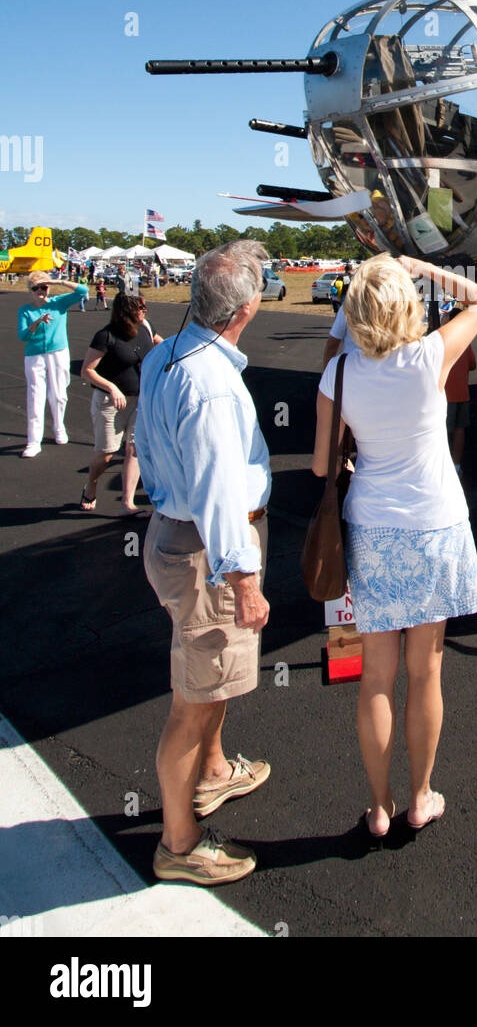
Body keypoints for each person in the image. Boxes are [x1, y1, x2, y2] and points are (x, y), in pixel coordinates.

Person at [313, 254, 477, 840]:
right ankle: (420, 797)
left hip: (372, 529)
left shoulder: (337, 374)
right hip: (433, 526)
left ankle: (379, 806)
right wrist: (417, 262)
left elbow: (321, 464)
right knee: (427, 673)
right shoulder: (427, 357)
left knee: (374, 681)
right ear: (407, 304)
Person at [135, 240, 271, 885]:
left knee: (206, 680)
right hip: (206, 552)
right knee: (192, 699)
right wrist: (242, 579)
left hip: (174, 535)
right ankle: (179, 846)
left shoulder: (165, 354)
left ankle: (213, 773)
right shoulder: (213, 383)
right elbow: (220, 491)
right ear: (246, 307)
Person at [80, 294, 162, 515]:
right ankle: (92, 484)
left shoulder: (146, 327)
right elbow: (87, 370)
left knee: (134, 449)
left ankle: (127, 503)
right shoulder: (105, 336)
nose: (145, 310)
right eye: (140, 307)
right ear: (127, 311)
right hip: (111, 403)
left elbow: (162, 346)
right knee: (106, 453)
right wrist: (111, 387)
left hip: (140, 400)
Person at [18, 271, 89, 457]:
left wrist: (58, 281)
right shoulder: (25, 310)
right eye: (36, 288)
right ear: (30, 291)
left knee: (59, 394)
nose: (40, 291)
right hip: (34, 355)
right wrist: (36, 323)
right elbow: (23, 335)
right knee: (35, 396)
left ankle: (59, 427)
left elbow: (83, 290)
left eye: (44, 287)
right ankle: (34, 441)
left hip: (58, 352)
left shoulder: (59, 302)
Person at [442, 304, 476, 474]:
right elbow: (473, 364)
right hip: (462, 393)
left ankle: (443, 464)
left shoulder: (442, 340)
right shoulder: (465, 342)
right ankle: (456, 465)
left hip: (445, 395)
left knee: (443, 432)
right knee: (459, 429)